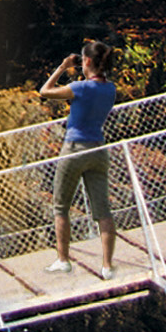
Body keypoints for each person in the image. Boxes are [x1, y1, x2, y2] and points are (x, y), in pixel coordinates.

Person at [39, 40, 117, 278]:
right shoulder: (110, 89)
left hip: (74, 148)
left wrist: (62, 67)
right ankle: (107, 265)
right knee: (102, 210)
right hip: (98, 148)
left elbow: (44, 92)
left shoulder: (81, 88)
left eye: (83, 60)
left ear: (88, 62)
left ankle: (63, 260)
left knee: (61, 207)